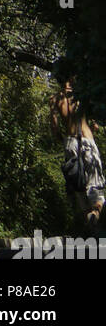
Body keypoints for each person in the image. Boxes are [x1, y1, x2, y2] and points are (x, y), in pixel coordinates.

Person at [50, 77, 106, 229]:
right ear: (73, 79)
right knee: (96, 183)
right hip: (87, 139)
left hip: (69, 142)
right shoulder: (82, 96)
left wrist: (62, 140)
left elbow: (54, 128)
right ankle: (95, 213)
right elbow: (96, 126)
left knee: (78, 184)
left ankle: (87, 217)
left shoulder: (55, 99)